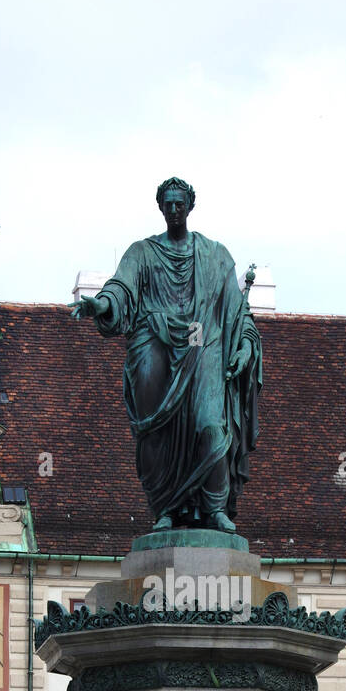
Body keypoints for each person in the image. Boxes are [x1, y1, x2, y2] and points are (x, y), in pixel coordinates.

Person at [72, 177, 261, 533]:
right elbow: (120, 288)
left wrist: (246, 345)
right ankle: (166, 510)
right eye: (168, 204)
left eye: (180, 204)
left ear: (190, 206)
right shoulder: (142, 253)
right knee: (157, 433)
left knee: (209, 423)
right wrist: (102, 304)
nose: (174, 210)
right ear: (160, 207)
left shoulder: (215, 255)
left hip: (202, 342)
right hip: (155, 342)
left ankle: (215, 507)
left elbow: (239, 313)